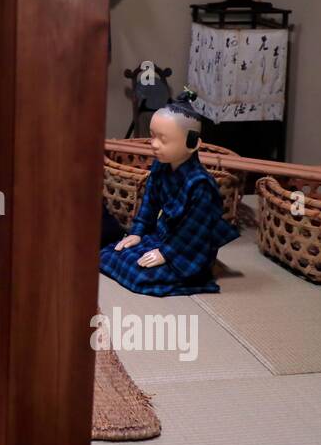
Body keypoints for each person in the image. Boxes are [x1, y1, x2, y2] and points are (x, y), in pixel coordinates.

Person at [99, 91, 239, 296]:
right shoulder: (160, 167)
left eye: (163, 140)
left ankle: (179, 269)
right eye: (153, 136)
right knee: (109, 255)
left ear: (192, 143)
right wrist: (137, 233)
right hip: (162, 236)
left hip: (188, 249)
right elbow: (149, 204)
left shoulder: (200, 185)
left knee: (140, 276)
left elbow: (195, 231)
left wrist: (166, 253)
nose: (154, 144)